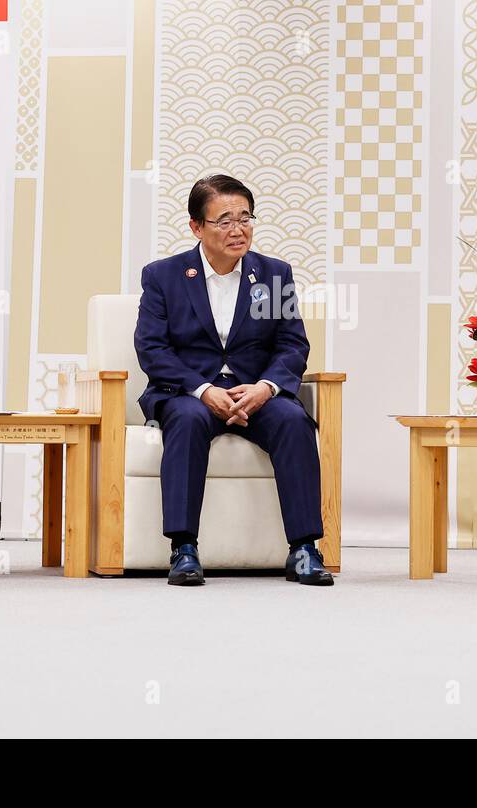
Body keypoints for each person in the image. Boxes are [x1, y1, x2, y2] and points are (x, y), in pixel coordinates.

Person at [133, 174, 332, 587]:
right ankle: (184, 548)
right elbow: (152, 349)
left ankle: (304, 548)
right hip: (190, 392)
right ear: (196, 227)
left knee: (295, 422)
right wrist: (204, 389)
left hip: (254, 391)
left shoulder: (274, 275)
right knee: (186, 421)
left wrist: (266, 388)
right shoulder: (163, 277)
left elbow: (292, 344)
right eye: (223, 220)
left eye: (245, 217)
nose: (237, 229)